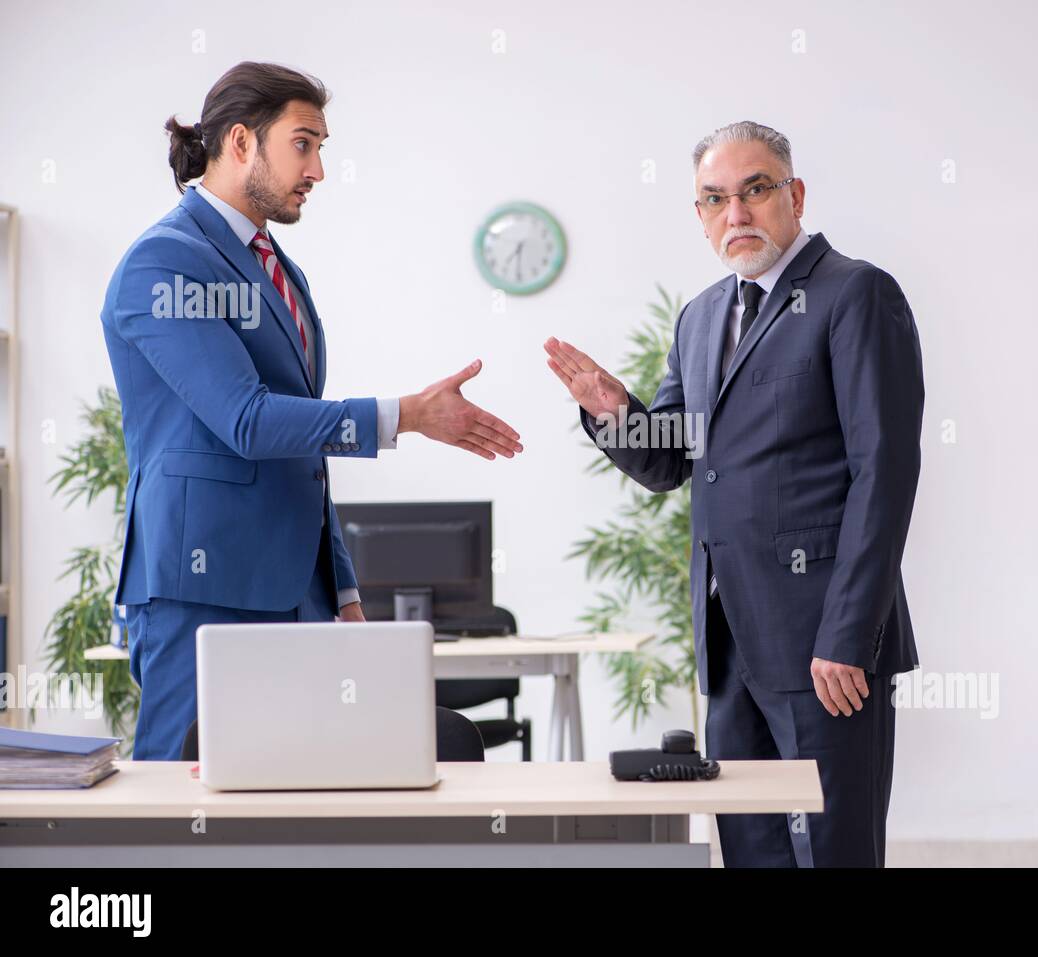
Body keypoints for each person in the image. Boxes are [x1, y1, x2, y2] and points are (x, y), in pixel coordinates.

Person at [101, 61, 522, 760]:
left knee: (296, 799)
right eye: (305, 143)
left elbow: (303, 456)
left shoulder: (281, 271)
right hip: (204, 590)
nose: (320, 169)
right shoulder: (164, 263)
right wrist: (405, 415)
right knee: (182, 809)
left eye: (322, 147)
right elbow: (248, 420)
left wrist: (340, 583)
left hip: (296, 590)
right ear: (240, 142)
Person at [544, 121, 923, 866]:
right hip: (729, 646)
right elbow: (676, 460)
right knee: (750, 851)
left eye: (755, 190)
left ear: (796, 194)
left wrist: (847, 637)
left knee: (832, 852)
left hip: (825, 652)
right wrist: (611, 409)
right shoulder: (701, 316)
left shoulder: (855, 294)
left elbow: (885, 473)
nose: (737, 214)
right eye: (715, 199)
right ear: (699, 214)